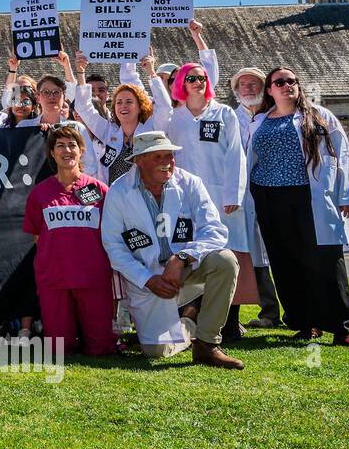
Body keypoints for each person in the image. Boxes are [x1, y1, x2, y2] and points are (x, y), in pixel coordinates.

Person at [99, 130, 243, 368]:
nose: (168, 162)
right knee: (156, 351)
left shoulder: (190, 183)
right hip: (149, 278)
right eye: (159, 157)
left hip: (188, 269)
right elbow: (114, 247)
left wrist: (182, 258)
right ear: (139, 160)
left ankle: (207, 344)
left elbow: (215, 230)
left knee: (225, 261)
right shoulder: (119, 191)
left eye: (170, 155)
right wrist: (147, 279)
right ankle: (189, 321)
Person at [247, 68, 349, 346]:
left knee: (324, 259)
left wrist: (348, 195)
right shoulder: (259, 121)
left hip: (309, 196)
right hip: (268, 198)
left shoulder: (320, 116)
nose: (287, 86)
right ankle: (304, 322)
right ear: (270, 90)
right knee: (285, 261)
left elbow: (343, 153)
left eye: (291, 81)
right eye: (280, 82)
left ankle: (341, 328)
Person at [166, 58, 249, 340]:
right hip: (186, 200)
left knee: (227, 256)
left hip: (220, 196)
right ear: (181, 85)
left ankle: (230, 322)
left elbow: (236, 154)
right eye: (191, 78)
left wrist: (233, 194)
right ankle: (190, 315)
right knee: (193, 254)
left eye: (202, 78)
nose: (198, 83)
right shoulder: (174, 118)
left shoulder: (224, 113)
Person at [23, 125, 117, 356]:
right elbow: (37, 237)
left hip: (93, 278)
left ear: (81, 150)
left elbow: (111, 232)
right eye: (60, 145)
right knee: (59, 349)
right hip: (55, 279)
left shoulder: (100, 190)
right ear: (52, 153)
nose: (67, 150)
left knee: (101, 349)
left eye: (72, 145)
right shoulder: (40, 193)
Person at [230, 66, 282, 329]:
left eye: (254, 84)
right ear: (236, 91)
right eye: (243, 85)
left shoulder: (274, 116)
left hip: (269, 191)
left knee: (268, 252)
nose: (248, 89)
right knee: (237, 252)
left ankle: (275, 312)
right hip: (237, 196)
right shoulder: (229, 117)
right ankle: (232, 319)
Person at [68, 52, 168, 185]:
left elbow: (165, 107)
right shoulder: (109, 131)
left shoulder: (152, 127)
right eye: (119, 102)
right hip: (114, 199)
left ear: (140, 106)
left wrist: (151, 73)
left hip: (146, 197)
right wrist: (80, 73)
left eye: (129, 102)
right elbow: (83, 107)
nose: (123, 106)